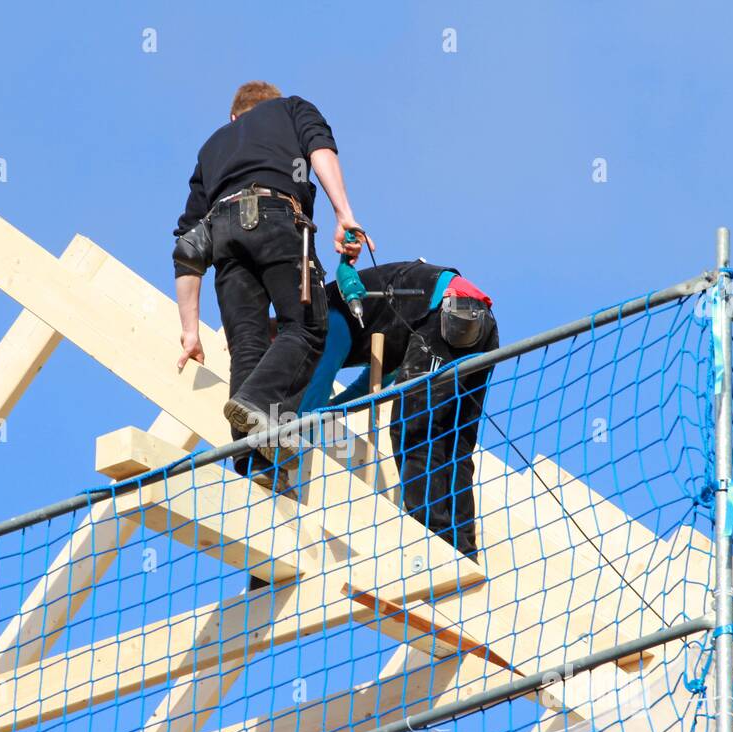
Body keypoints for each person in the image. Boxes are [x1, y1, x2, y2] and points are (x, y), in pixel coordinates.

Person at [171, 81, 370, 481]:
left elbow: (188, 247)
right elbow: (320, 152)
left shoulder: (212, 148)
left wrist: (190, 331)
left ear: (233, 117)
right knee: (309, 327)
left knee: (248, 346)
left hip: (223, 235)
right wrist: (343, 213)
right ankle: (258, 403)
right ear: (272, 104)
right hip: (278, 218)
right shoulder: (292, 108)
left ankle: (253, 463)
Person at [299, 260, 499, 557]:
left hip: (447, 315)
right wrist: (334, 408)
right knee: (453, 440)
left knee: (413, 428)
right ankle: (462, 546)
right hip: (478, 324)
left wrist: (294, 430)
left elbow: (316, 387)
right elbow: (370, 386)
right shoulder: (387, 331)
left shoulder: (321, 318)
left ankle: (434, 539)